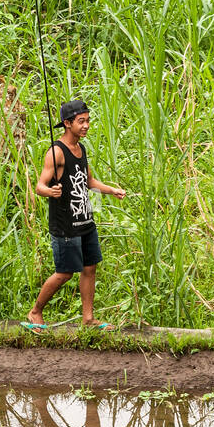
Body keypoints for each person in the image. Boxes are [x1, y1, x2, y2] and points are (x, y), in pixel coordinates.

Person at [25, 99, 126, 329]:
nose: (86, 125)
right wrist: (51, 191)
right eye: (81, 121)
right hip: (65, 224)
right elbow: (40, 186)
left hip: (85, 220)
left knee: (90, 268)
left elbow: (89, 181)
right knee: (65, 273)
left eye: (88, 120)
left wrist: (112, 190)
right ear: (67, 123)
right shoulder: (56, 152)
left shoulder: (81, 148)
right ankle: (35, 311)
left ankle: (88, 319)